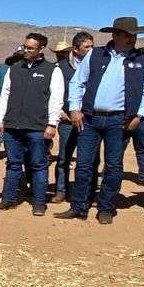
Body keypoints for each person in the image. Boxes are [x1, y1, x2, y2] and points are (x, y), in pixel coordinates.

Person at [57, 17, 144, 224]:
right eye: (128, 35)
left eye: (134, 35)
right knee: (84, 164)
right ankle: (79, 207)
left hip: (120, 120)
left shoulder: (142, 59)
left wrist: (139, 115)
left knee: (113, 166)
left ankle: (106, 208)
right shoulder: (95, 54)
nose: (132, 39)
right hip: (90, 119)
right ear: (115, 35)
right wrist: (74, 108)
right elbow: (77, 83)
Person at [0, 33, 65, 215]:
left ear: (40, 49)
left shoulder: (52, 71)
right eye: (25, 47)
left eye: (30, 48)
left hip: (37, 127)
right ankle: (8, 199)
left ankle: (39, 202)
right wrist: (0, 120)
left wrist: (52, 124)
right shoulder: (13, 69)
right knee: (13, 164)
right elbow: (5, 96)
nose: (26, 51)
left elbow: (56, 99)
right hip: (12, 126)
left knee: (38, 165)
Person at [51, 33, 94, 203]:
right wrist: (60, 111)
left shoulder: (96, 66)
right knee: (64, 157)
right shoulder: (60, 68)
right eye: (87, 47)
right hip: (67, 120)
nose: (91, 50)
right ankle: (61, 190)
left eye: (92, 46)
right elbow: (53, 92)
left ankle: (86, 192)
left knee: (89, 158)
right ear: (76, 49)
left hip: (89, 120)